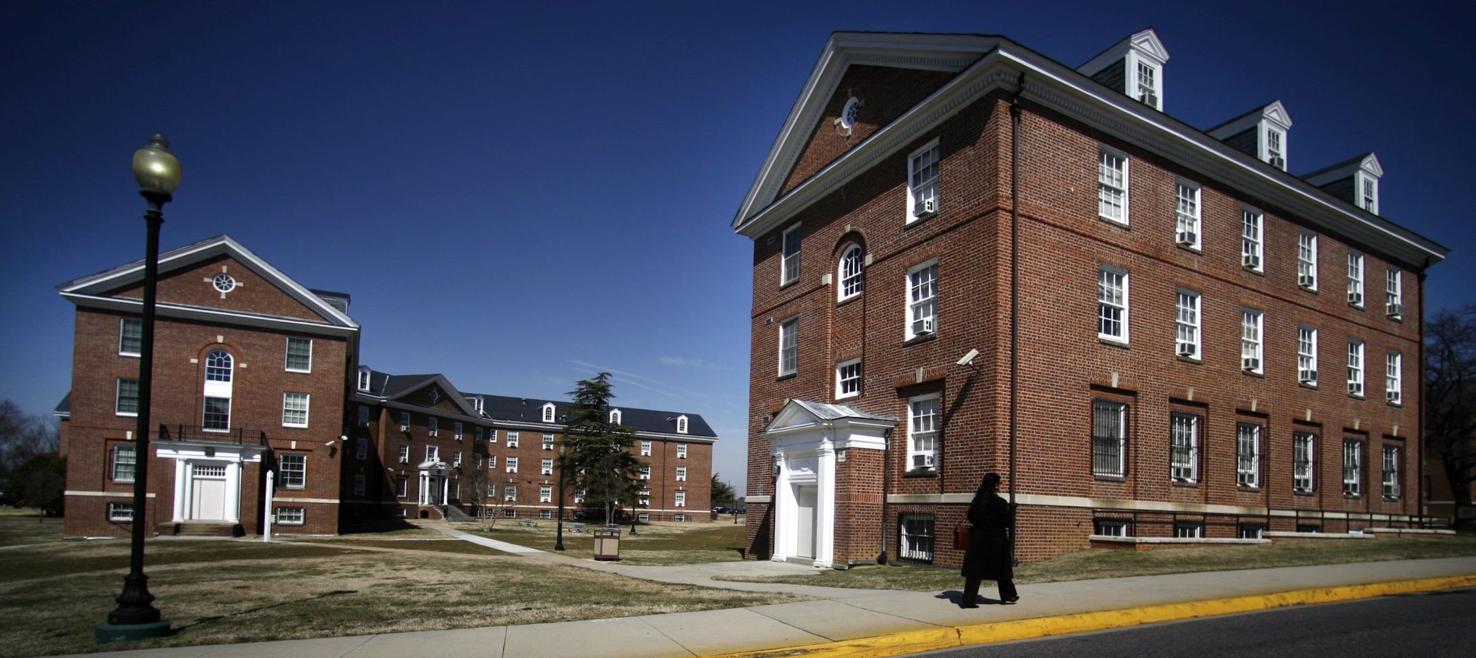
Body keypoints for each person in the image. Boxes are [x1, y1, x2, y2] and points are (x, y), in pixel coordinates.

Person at [959, 472, 1017, 608]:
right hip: (997, 539)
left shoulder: (977, 501)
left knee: (974, 572)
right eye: (1000, 483)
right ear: (996, 485)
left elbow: (971, 518)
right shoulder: (1000, 502)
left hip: (978, 539)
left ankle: (968, 600)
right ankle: (1008, 595)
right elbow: (1007, 522)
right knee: (1002, 569)